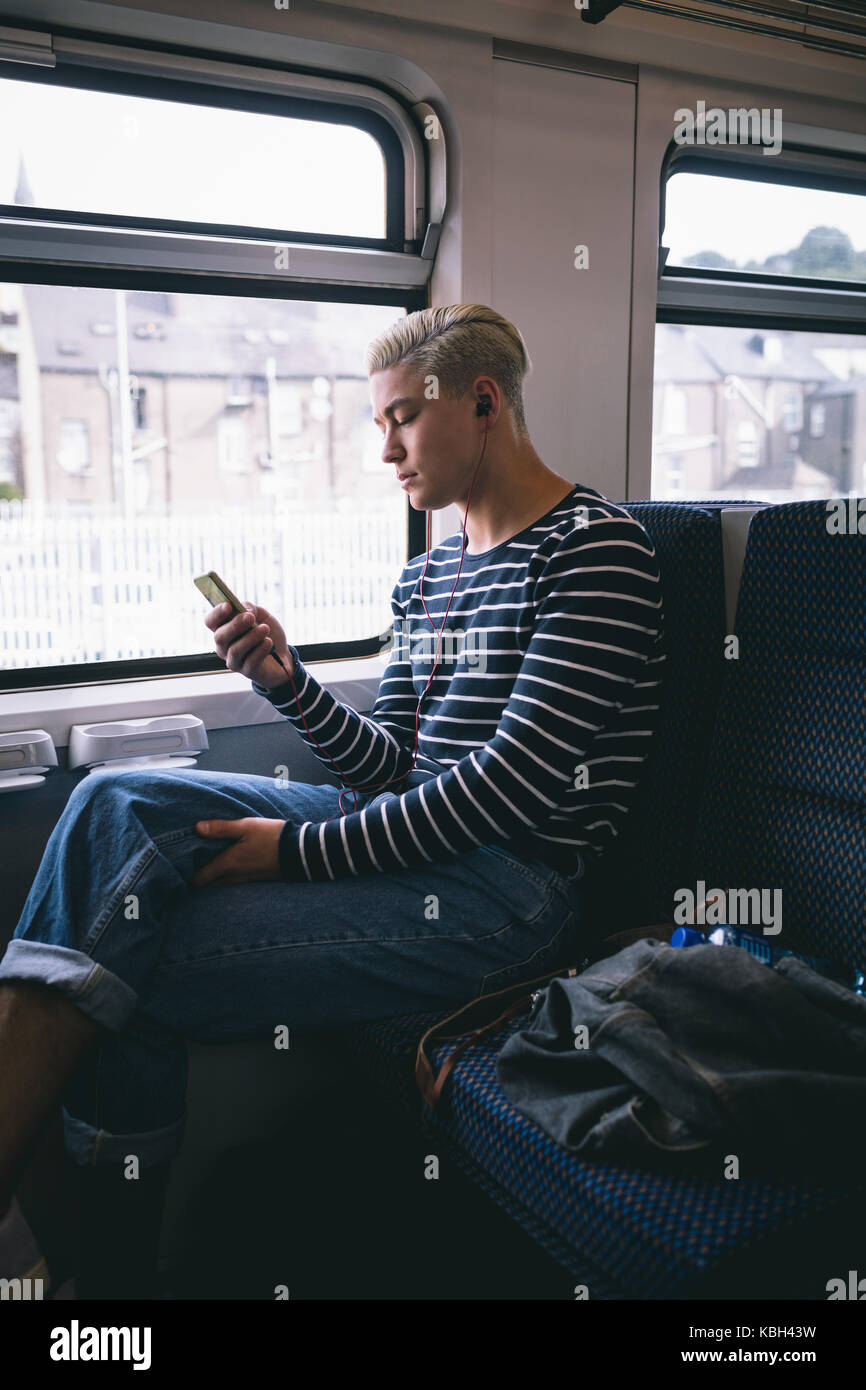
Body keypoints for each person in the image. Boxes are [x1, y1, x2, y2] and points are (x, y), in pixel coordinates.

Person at [0, 303, 664, 1298]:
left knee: (131, 961)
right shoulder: (429, 576)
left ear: (481, 401)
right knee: (111, 802)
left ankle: (97, 1284)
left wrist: (292, 853)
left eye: (401, 418)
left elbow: (510, 789)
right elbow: (384, 768)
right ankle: (107, 1287)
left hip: (508, 893)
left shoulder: (593, 552)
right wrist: (284, 681)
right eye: (377, 425)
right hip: (413, 848)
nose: (386, 449)